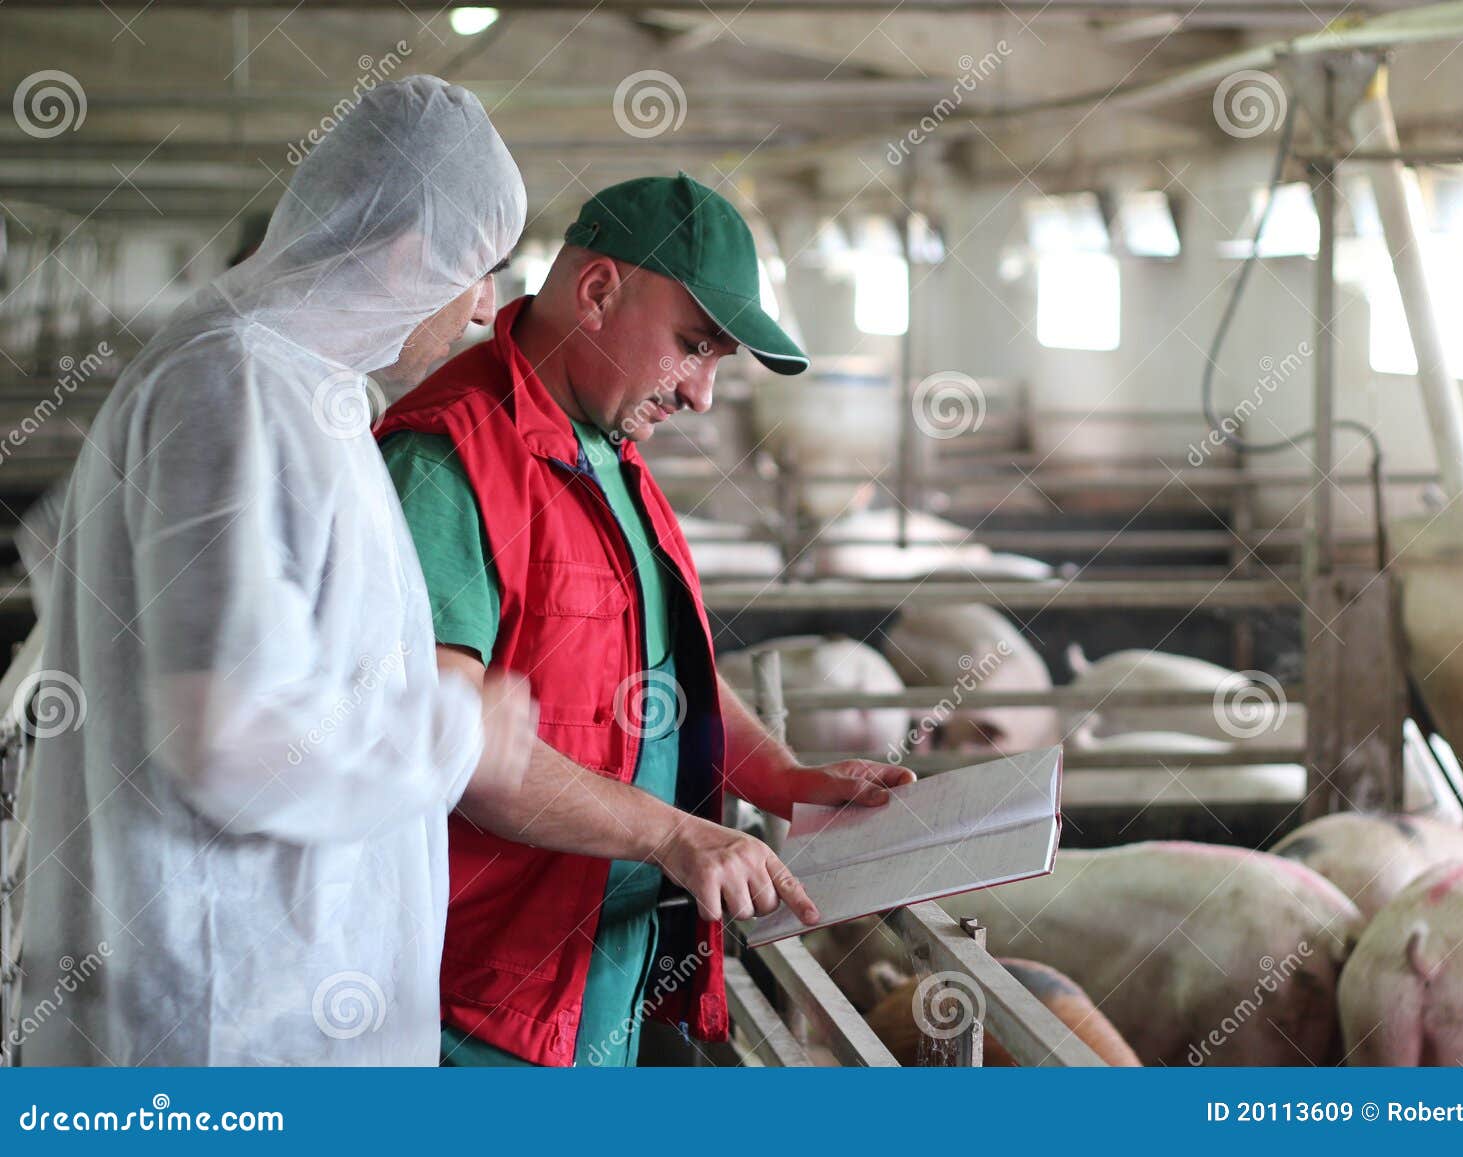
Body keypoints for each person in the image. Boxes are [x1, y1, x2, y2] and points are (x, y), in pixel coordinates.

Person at [16, 76, 537, 1066]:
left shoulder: (303, 385)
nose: (483, 310)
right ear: (407, 254)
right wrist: (452, 733)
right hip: (229, 1013)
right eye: (482, 271)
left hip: (284, 984)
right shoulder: (235, 384)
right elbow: (226, 734)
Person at [376, 173, 914, 1068]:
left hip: (610, 973)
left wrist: (780, 776)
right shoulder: (447, 459)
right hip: (477, 1006)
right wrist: (673, 832)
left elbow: (665, 674)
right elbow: (449, 743)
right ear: (597, 291)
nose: (702, 393)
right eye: (693, 346)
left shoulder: (612, 456)